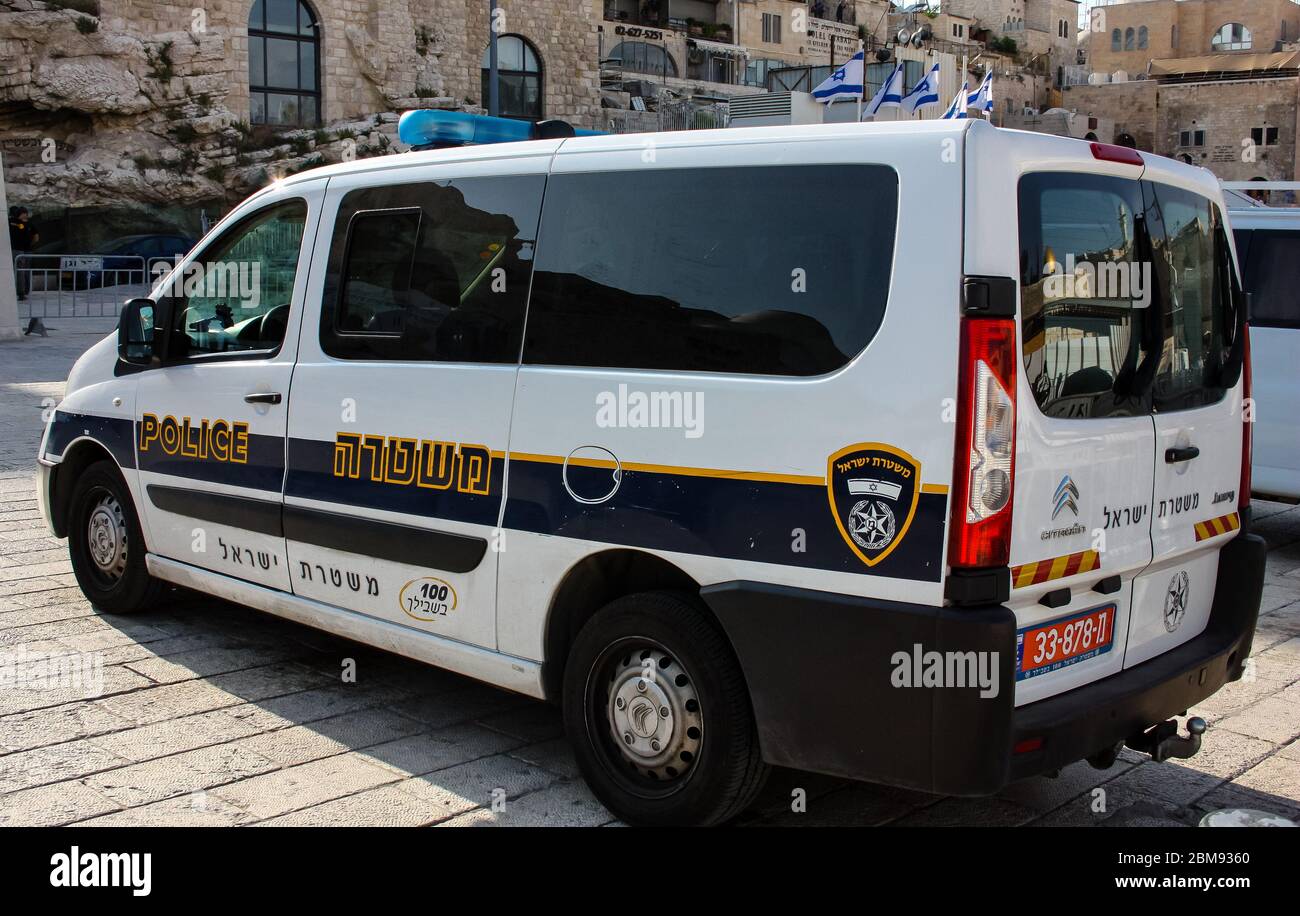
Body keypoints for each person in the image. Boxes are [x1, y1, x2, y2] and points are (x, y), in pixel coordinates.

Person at [8, 206, 38, 302]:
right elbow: (35, 238)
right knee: (23, 271)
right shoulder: (25, 224)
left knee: (19, 271)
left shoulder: (11, 222)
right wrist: (29, 244)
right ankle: (23, 291)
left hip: (15, 250)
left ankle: (21, 292)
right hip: (23, 250)